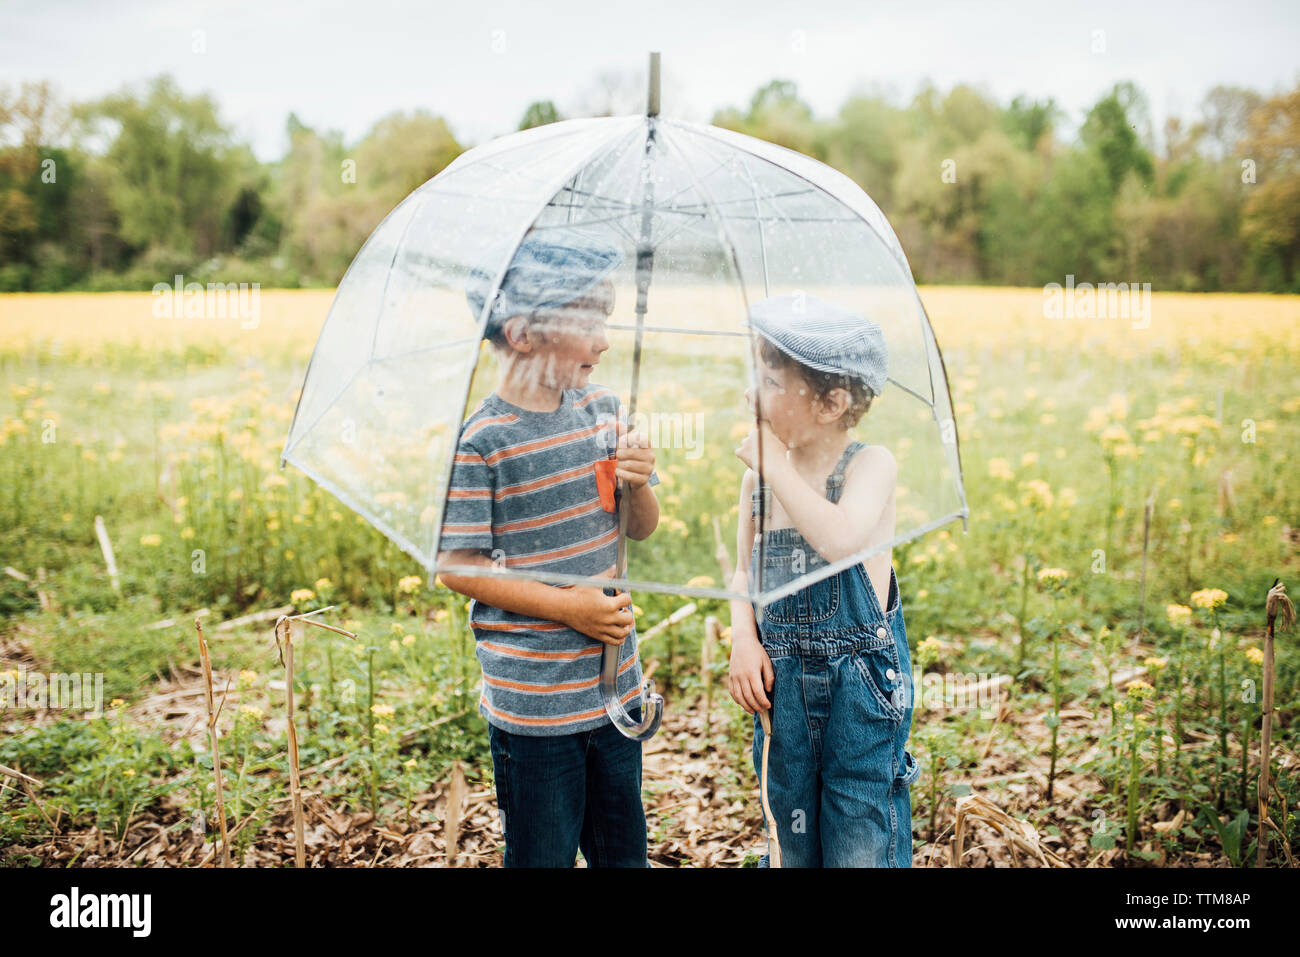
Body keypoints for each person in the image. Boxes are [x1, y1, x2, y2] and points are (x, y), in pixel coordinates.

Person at [436, 225, 660, 868]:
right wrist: (567, 608)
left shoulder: (604, 410)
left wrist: (637, 485)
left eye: (607, 316)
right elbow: (458, 566)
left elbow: (639, 527)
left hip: (617, 688)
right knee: (542, 856)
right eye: (588, 317)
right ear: (523, 332)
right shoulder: (483, 442)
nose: (605, 337)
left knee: (625, 856)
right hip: (535, 710)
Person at [727, 292, 921, 868]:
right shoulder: (758, 483)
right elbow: (744, 571)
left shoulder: (869, 465)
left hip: (858, 684)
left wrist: (777, 469)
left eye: (771, 381)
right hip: (782, 678)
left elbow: (840, 540)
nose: (749, 394)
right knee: (790, 829)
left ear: (831, 402)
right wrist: (743, 636)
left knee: (859, 823)